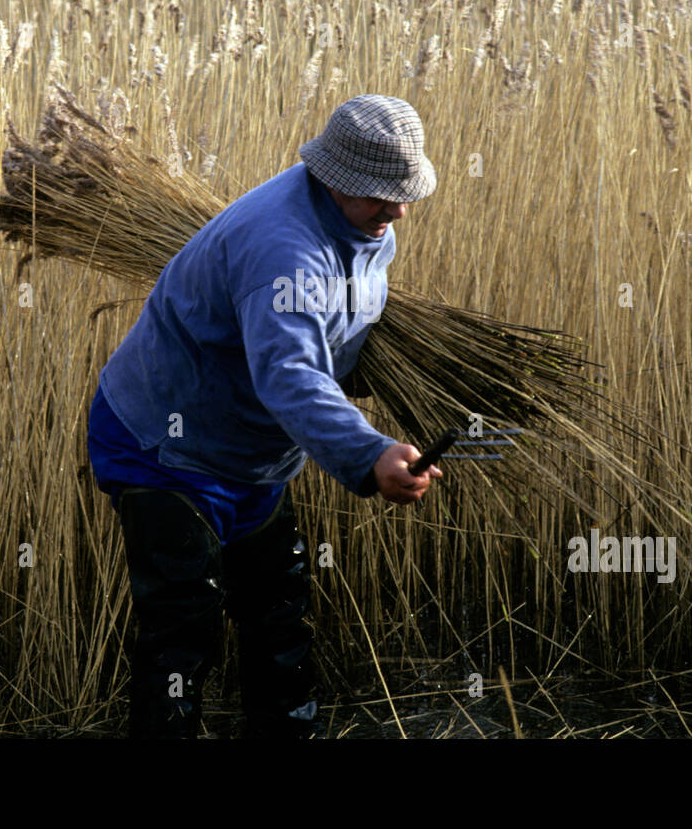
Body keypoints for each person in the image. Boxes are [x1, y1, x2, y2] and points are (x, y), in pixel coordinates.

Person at [86, 94, 442, 738]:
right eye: (380, 194)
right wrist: (368, 454)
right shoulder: (283, 248)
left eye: (403, 191)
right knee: (182, 625)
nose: (398, 209)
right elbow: (290, 374)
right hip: (166, 444)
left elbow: (325, 342)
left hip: (256, 456)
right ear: (335, 180)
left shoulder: (365, 227)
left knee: (278, 612)